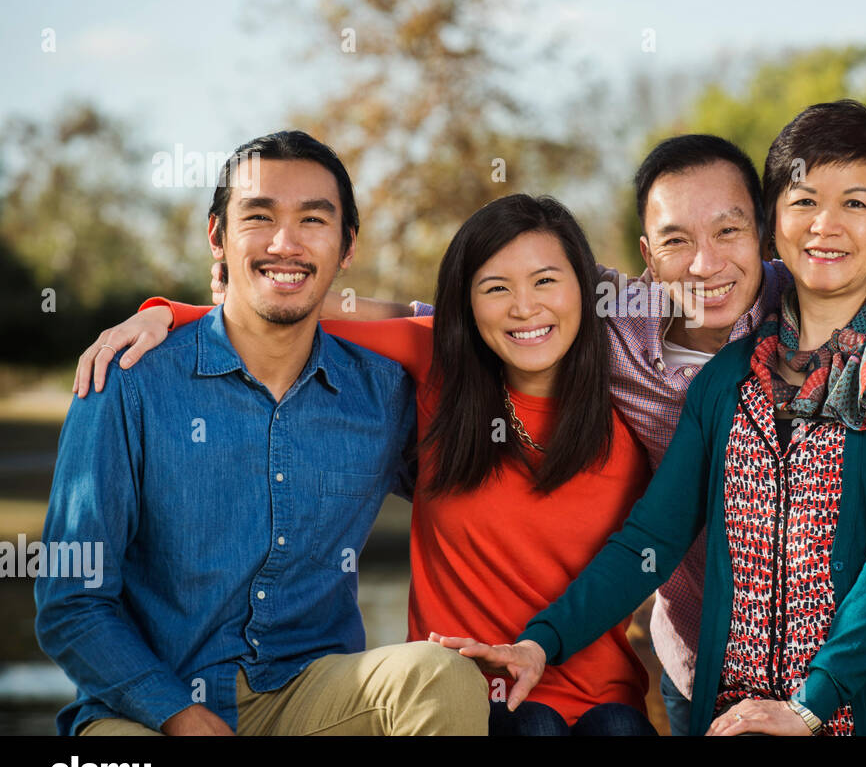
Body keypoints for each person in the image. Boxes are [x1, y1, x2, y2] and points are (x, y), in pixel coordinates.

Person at [78, 134, 866, 736]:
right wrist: (178, 312)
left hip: (742, 654)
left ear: (760, 235)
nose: (704, 259)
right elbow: (310, 311)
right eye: (676, 238)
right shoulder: (547, 348)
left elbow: (841, 262)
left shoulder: (773, 337)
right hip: (637, 657)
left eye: (729, 232)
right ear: (639, 259)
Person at [433, 100, 866, 736]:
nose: (825, 225)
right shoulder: (726, 378)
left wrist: (812, 704)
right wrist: (539, 644)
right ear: (775, 222)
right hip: (732, 713)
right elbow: (653, 539)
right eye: (804, 202)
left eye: (856, 203)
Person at [135, 194, 658, 736]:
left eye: (546, 281)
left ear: (583, 290)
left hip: (603, 697)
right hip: (465, 694)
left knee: (619, 729)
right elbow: (288, 319)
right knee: (536, 727)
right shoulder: (439, 365)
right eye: (496, 288)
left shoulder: (636, 411)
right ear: (466, 305)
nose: (524, 307)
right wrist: (169, 314)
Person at [36, 130, 488, 736]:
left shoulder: (382, 394)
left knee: (441, 676)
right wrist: (176, 712)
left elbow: (485, 477)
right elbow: (72, 602)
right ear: (217, 236)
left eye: (313, 219)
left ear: (346, 246)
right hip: (144, 709)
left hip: (314, 695)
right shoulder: (129, 380)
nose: (286, 242)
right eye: (259, 216)